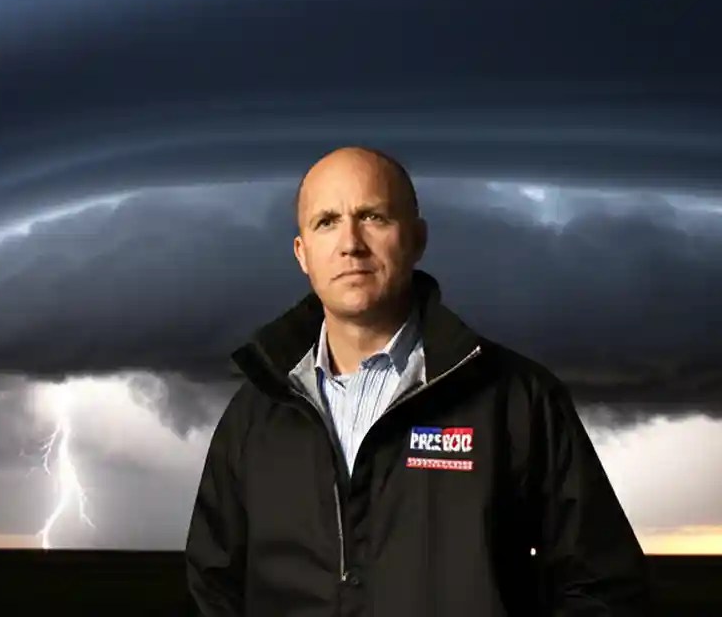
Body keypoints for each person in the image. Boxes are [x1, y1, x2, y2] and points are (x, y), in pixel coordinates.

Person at [185, 146, 653, 616]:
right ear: (302, 253)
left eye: (373, 217)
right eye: (326, 222)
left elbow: (601, 587)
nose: (351, 242)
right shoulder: (254, 416)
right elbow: (213, 590)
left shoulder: (515, 399)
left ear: (416, 238)